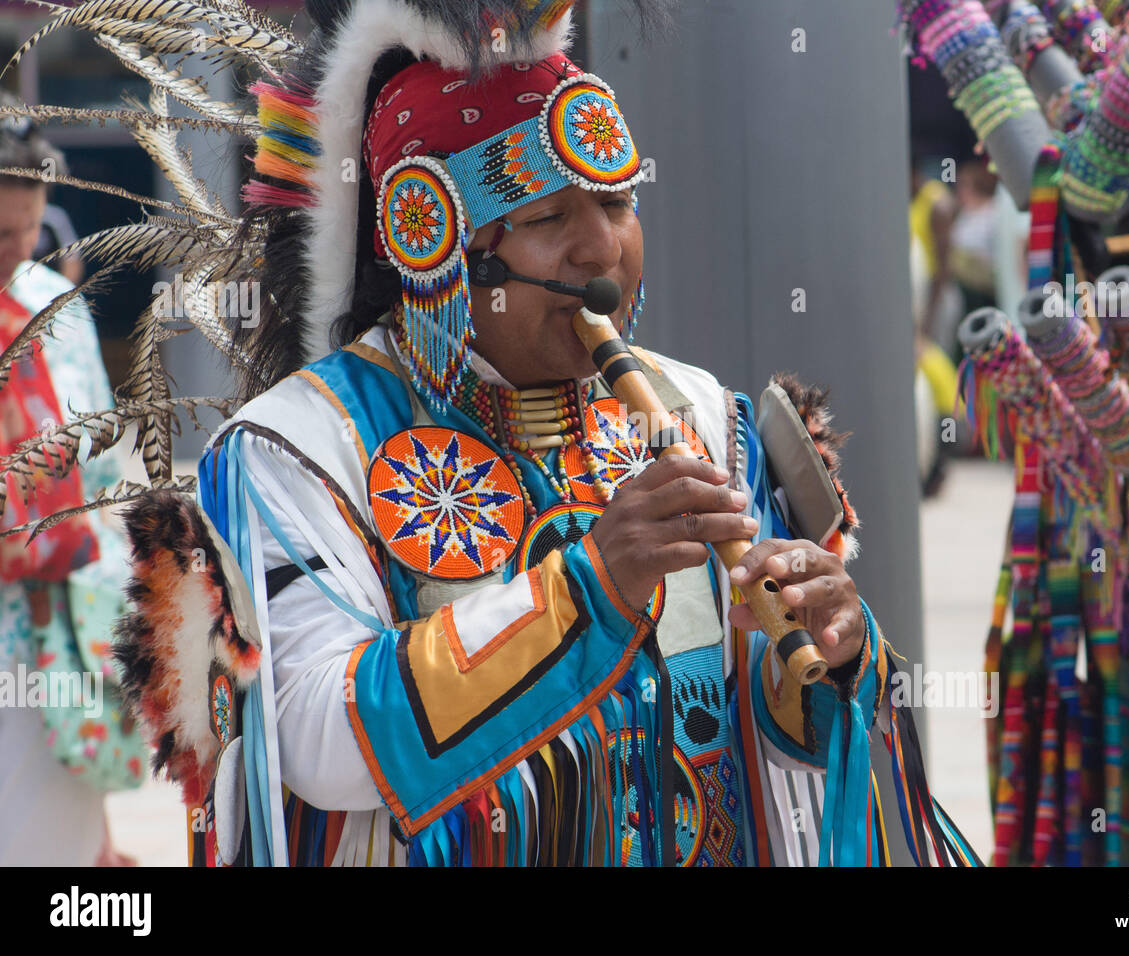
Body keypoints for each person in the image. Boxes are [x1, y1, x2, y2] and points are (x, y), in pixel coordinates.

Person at [19, 0, 977, 867]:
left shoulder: (706, 416)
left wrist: (833, 663)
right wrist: (589, 591)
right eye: (548, 216)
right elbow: (318, 735)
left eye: (617, 202)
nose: (602, 247)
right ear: (435, 242)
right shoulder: (301, 444)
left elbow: (764, 762)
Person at [0, 110, 142, 866]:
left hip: (62, 618)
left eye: (22, 231)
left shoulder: (59, 308)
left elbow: (99, 472)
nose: (11, 252)